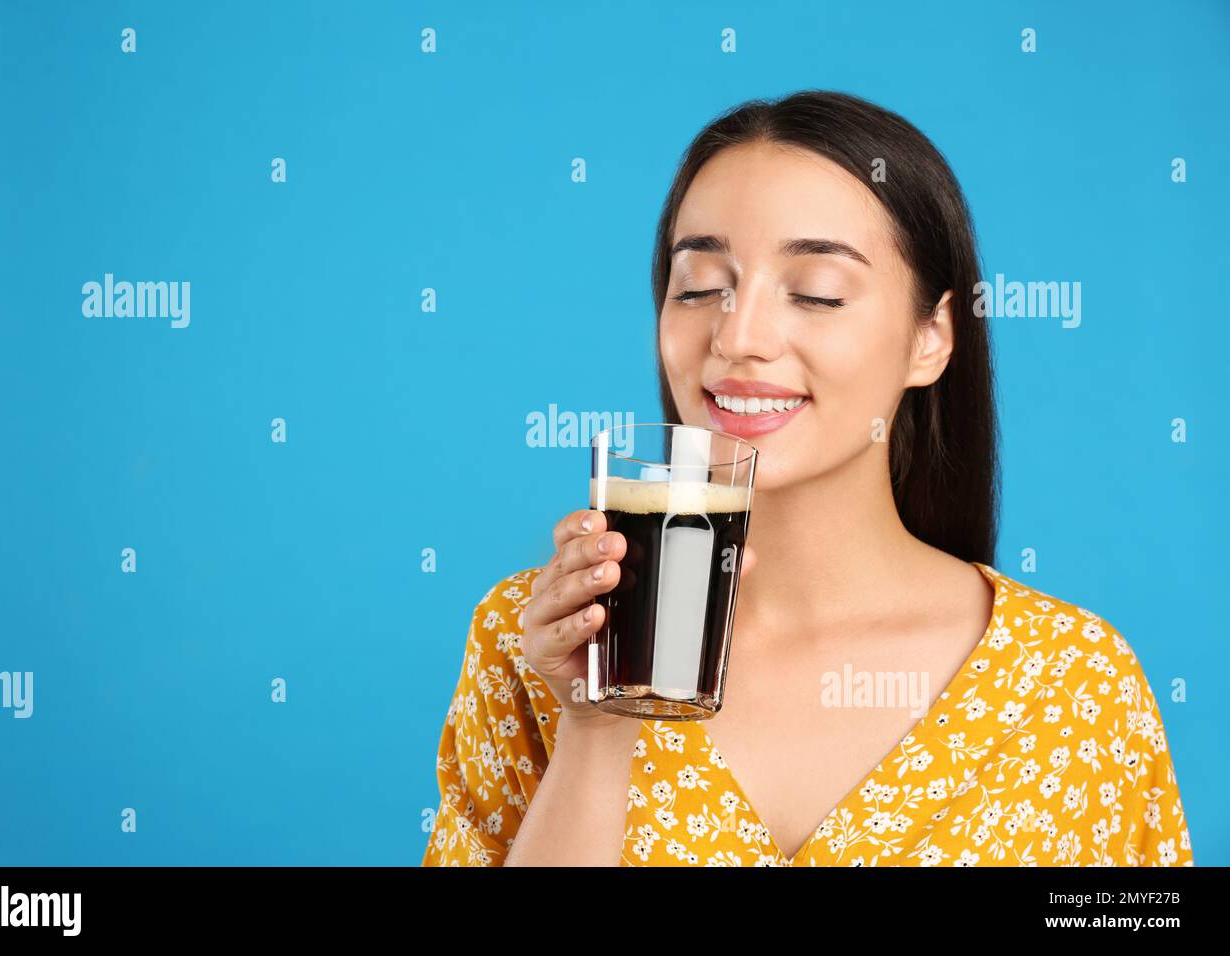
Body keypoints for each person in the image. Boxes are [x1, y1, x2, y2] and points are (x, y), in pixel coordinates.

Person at [421, 90, 1194, 867]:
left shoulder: (1074, 684)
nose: (738, 336)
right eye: (698, 286)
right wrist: (596, 730)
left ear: (931, 339)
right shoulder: (536, 642)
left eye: (817, 292)